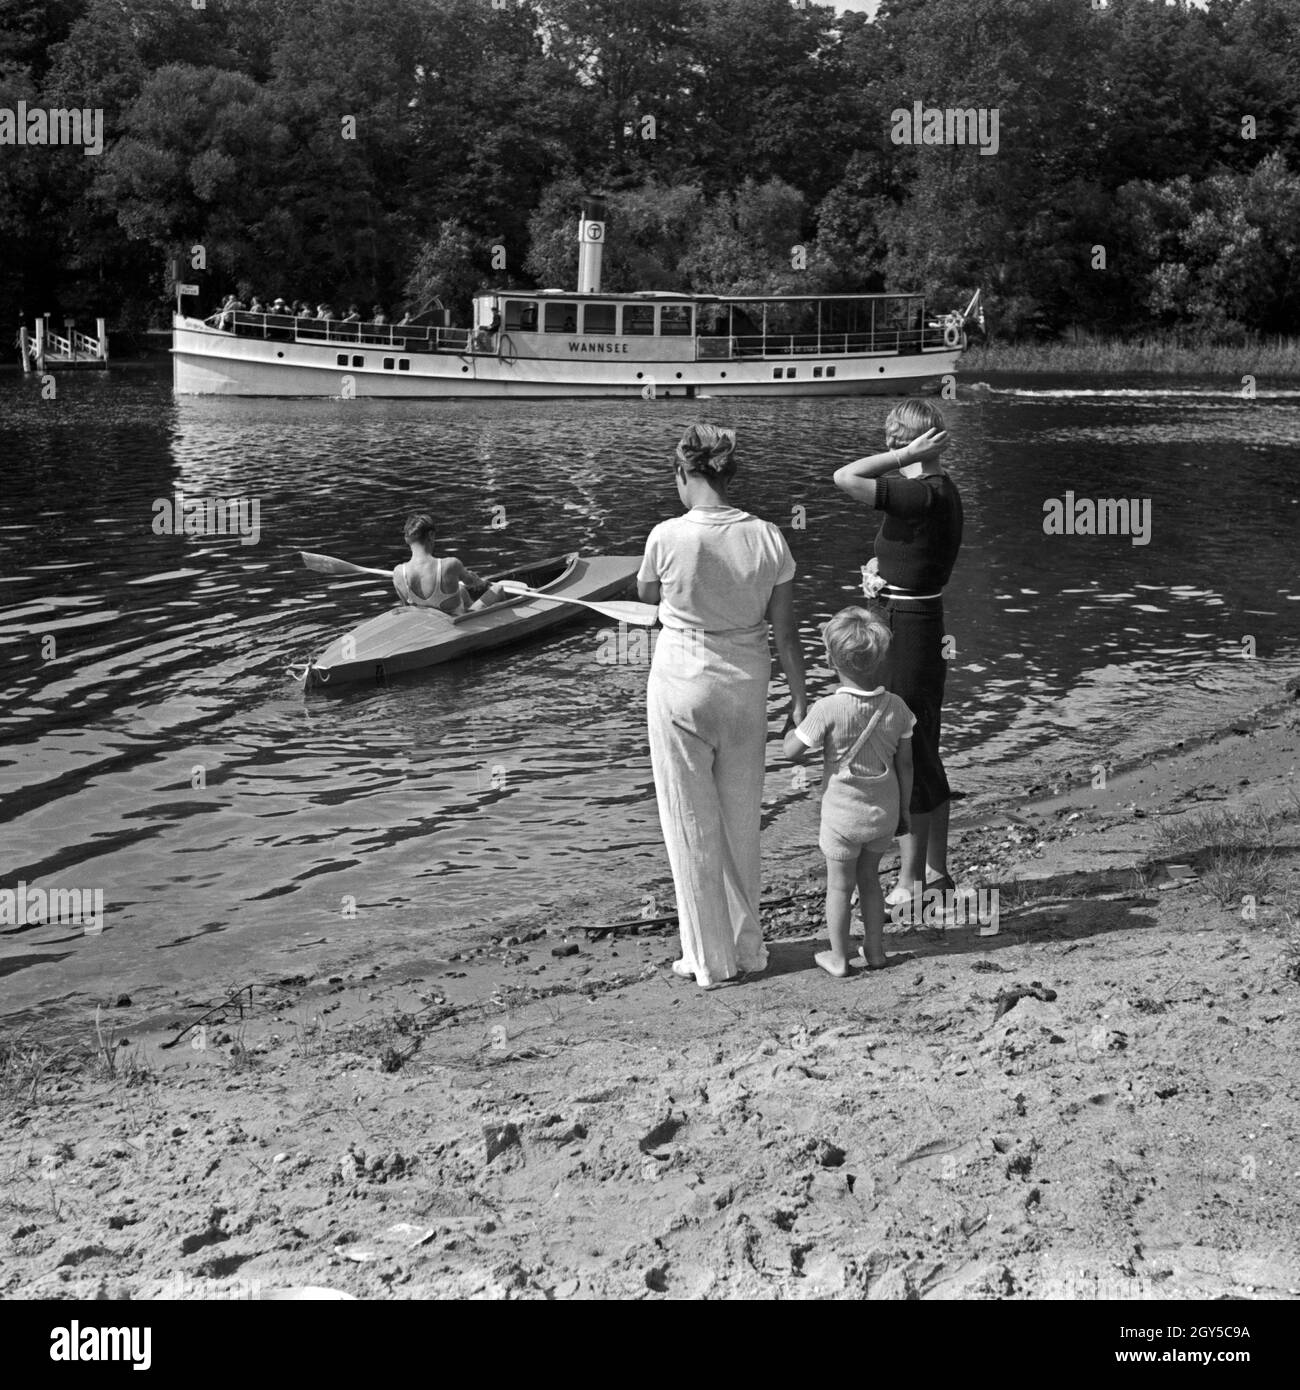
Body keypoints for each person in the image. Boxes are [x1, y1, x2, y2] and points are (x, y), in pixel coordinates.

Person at [639, 424, 807, 990]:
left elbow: (646, 593)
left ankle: (707, 960)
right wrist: (801, 698)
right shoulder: (768, 537)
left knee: (688, 821)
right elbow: (786, 633)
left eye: (677, 478)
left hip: (681, 682)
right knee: (741, 822)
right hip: (746, 686)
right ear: (729, 473)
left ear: (685, 473)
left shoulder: (667, 535)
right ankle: (747, 947)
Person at [832, 400, 961, 917]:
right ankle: (936, 872)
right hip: (912, 619)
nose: (888, 445)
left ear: (923, 441)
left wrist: (906, 455)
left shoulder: (918, 490)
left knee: (909, 746)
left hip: (908, 632)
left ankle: (911, 881)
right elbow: (919, 556)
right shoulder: (937, 490)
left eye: (898, 437)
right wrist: (881, 574)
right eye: (887, 436)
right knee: (922, 740)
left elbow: (844, 476)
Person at [784, 609, 914, 976]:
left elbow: (793, 752)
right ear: (881, 657)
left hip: (842, 818)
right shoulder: (898, 709)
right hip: (883, 814)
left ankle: (838, 958)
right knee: (870, 880)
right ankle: (875, 951)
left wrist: (789, 729)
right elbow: (906, 767)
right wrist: (904, 813)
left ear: (828, 660)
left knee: (839, 887)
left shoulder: (827, 709)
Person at [393, 513, 505, 614]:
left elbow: (406, 606)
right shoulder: (451, 565)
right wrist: (478, 581)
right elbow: (473, 583)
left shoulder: (398, 573)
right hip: (458, 620)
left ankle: (470, 605)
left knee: (461, 590)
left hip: (429, 621)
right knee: (498, 589)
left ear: (406, 539)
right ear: (431, 535)